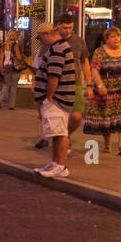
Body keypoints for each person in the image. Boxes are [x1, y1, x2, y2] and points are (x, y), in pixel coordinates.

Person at [32, 21, 78, 178]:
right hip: (57, 97)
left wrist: (49, 96)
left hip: (57, 98)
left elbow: (54, 75)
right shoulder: (57, 47)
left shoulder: (58, 49)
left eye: (40, 38)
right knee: (55, 132)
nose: (41, 41)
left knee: (60, 133)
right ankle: (55, 163)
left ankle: (60, 165)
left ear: (47, 34)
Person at [88, 27, 121, 156]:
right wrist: (100, 86)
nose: (116, 38)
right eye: (112, 36)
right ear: (106, 39)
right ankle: (107, 145)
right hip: (108, 90)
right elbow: (94, 70)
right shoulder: (100, 52)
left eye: (117, 36)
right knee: (108, 117)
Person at [0, 32, 26, 110]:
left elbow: (1, 59)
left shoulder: (3, 46)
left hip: (6, 66)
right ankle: (11, 105)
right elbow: (19, 57)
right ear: (15, 37)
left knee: (7, 84)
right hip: (14, 67)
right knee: (13, 86)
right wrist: (23, 57)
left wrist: (1, 69)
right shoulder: (15, 45)